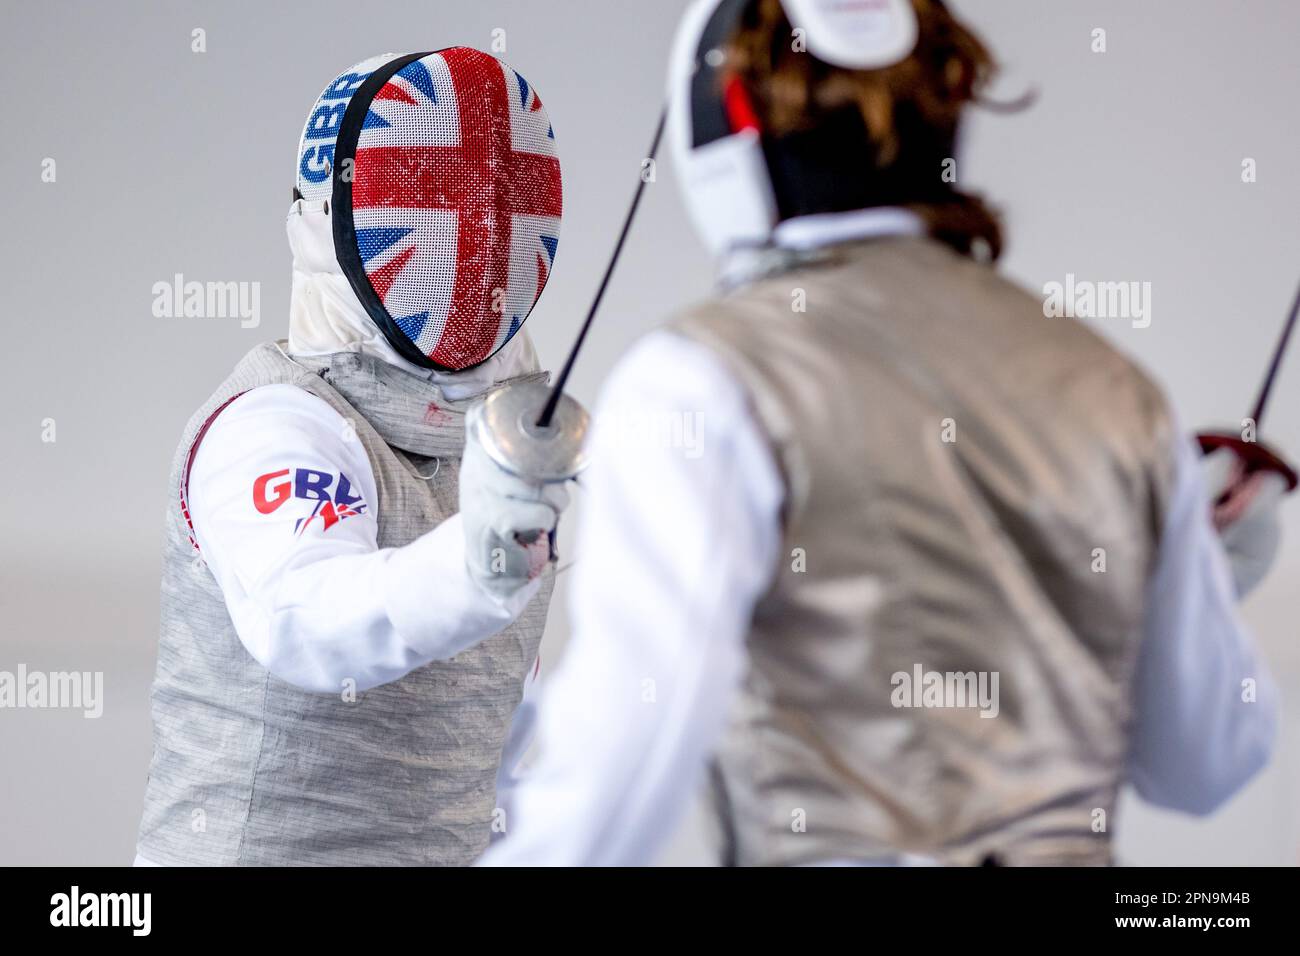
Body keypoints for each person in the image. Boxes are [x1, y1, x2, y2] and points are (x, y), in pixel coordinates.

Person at [481, 0, 1285, 866]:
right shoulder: (1118, 389)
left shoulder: (702, 378)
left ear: (731, 126)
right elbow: (1209, 763)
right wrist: (1170, 570)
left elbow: (623, 764)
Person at [136, 48, 568, 865]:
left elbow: (487, 738)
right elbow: (311, 620)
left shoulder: (497, 444)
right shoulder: (274, 425)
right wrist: (484, 560)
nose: (472, 229)